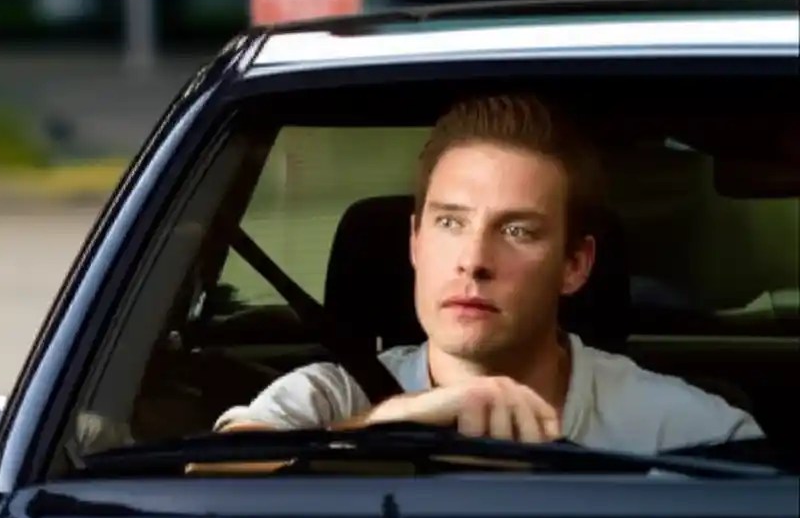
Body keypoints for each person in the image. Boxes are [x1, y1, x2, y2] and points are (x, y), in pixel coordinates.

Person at [213, 94, 763, 455]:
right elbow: (203, 488)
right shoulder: (328, 398)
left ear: (574, 266)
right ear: (416, 243)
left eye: (518, 231)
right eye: (451, 222)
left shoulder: (681, 431)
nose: (474, 259)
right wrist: (393, 424)